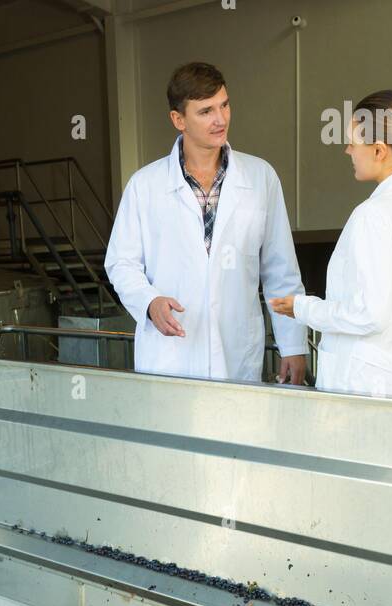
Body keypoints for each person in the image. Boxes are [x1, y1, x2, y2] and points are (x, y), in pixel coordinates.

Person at [104, 61, 307, 386]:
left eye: (224, 105)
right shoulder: (145, 185)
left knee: (234, 433)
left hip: (236, 353)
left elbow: (280, 270)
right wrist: (149, 302)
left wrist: (294, 345)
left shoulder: (260, 178)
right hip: (170, 356)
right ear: (178, 119)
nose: (220, 119)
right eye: (206, 111)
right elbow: (121, 263)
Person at [270, 89, 392, 400]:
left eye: (353, 141)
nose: (348, 150)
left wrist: (301, 307)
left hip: (363, 389)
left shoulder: (374, 215)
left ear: (379, 151)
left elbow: (370, 315)